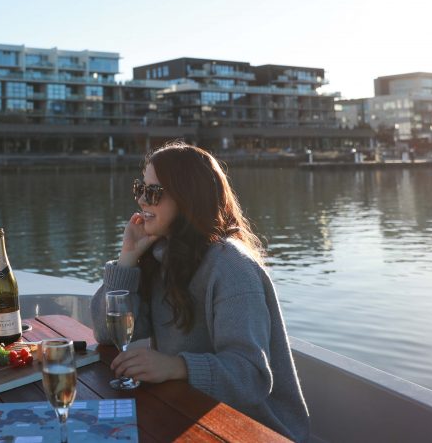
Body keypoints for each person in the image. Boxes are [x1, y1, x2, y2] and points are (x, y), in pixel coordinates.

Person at [91, 141, 309, 442]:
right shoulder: (160, 255)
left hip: (254, 429)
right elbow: (105, 332)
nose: (142, 201)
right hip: (188, 411)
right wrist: (127, 257)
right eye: (139, 189)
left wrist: (175, 366)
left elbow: (250, 376)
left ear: (186, 198)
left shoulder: (231, 267)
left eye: (153, 193)